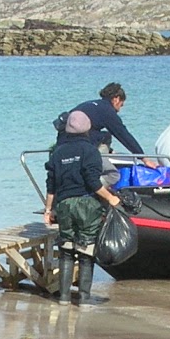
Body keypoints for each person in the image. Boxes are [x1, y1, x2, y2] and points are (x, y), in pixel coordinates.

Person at [43, 109, 123, 304]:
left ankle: (63, 298)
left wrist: (48, 210)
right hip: (87, 204)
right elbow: (93, 183)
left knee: (66, 249)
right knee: (86, 252)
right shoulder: (91, 151)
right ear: (87, 129)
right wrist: (111, 198)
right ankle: (84, 299)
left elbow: (51, 185)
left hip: (64, 205)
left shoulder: (57, 153)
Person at [61, 82, 146, 156]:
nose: (119, 109)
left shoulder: (88, 104)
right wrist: (142, 157)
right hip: (81, 143)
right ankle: (100, 159)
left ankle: (107, 152)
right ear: (116, 99)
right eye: (121, 104)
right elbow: (123, 134)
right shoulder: (107, 110)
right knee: (106, 135)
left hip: (64, 140)